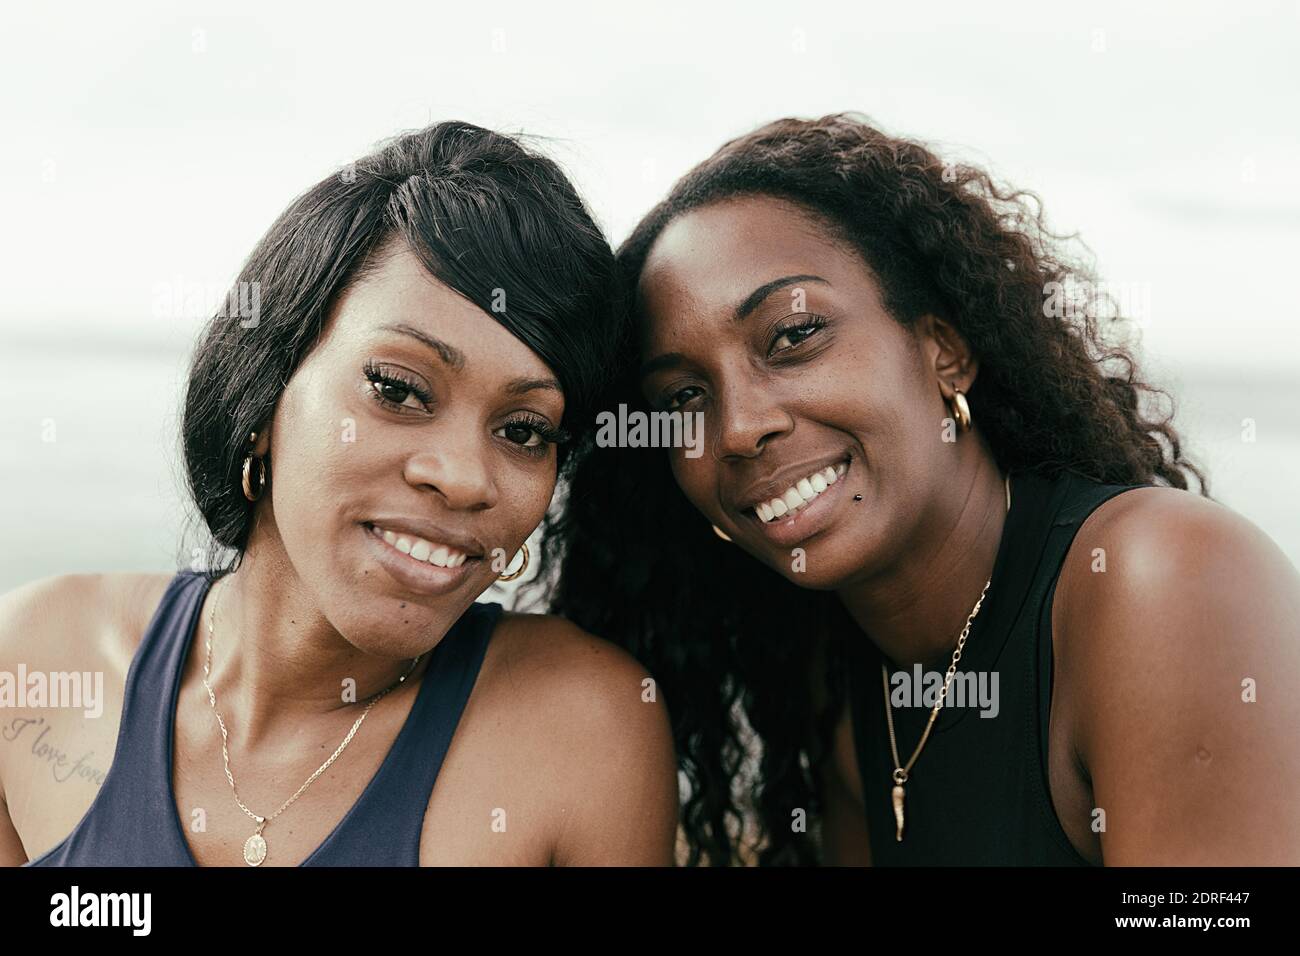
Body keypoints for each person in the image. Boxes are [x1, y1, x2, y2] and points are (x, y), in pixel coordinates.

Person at [551, 113, 1300, 866]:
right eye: (684, 398)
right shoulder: (841, 680)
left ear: (945, 349)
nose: (739, 428)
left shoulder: (1165, 579)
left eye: (793, 336)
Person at [0, 121, 677, 866]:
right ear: (261, 400)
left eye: (523, 431)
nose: (464, 476)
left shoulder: (579, 734)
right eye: (398, 388)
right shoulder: (34, 665)